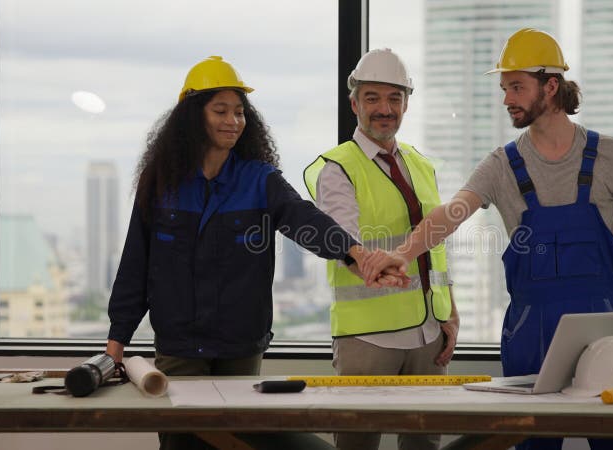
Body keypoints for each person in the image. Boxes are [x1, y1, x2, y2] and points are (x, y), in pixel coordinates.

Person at [360, 29, 613, 450]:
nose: (507, 98)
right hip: (530, 334)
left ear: (551, 86)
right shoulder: (502, 164)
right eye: (504, 88)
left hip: (603, 335)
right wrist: (401, 253)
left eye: (517, 87)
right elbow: (450, 215)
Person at [104, 55, 404, 450]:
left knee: (239, 441)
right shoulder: (161, 182)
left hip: (239, 346)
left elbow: (305, 220)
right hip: (179, 346)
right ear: (193, 115)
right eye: (221, 110)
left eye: (240, 112)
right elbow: (137, 263)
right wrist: (116, 341)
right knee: (184, 444)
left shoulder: (258, 180)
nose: (233, 120)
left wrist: (356, 254)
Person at [303, 48, 460, 450]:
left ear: (407, 102)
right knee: (358, 444)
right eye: (372, 98)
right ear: (354, 103)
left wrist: (449, 312)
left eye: (394, 98)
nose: (384, 109)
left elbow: (435, 246)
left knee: (424, 445)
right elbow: (344, 239)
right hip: (368, 340)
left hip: (428, 335)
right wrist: (373, 267)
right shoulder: (338, 168)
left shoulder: (421, 165)